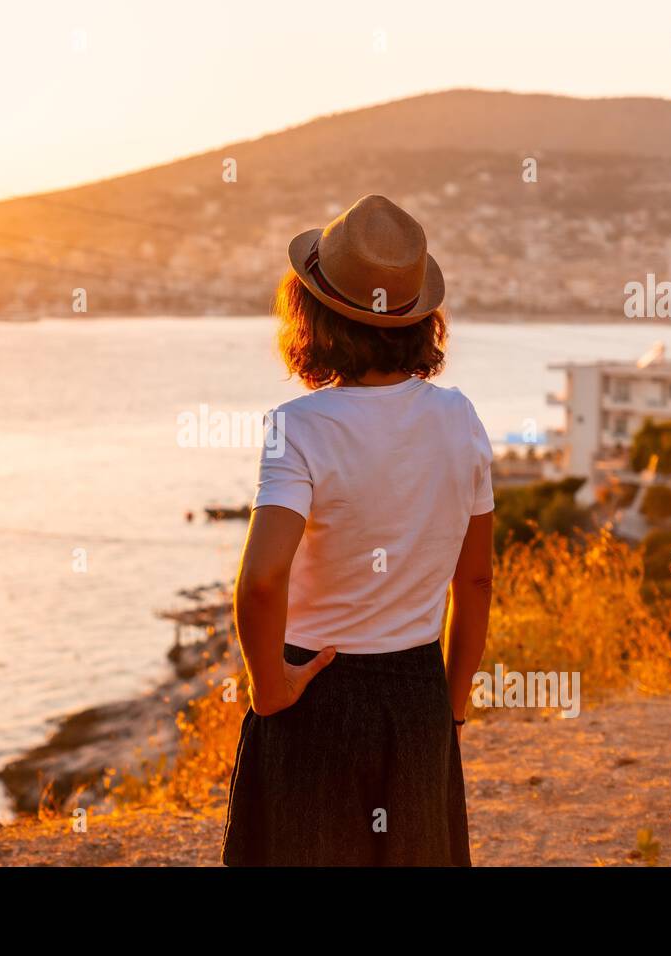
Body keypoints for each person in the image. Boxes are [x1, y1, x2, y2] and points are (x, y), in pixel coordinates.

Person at [221, 195, 494, 866]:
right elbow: (476, 582)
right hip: (418, 690)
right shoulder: (460, 418)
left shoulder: (298, 427)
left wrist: (268, 686)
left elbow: (262, 581)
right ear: (418, 319)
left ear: (313, 314)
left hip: (313, 690)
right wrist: (451, 707)